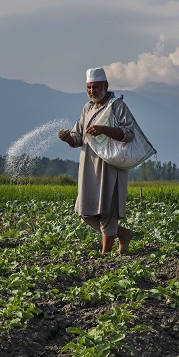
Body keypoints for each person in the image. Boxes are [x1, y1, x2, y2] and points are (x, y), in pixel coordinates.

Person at [58, 67, 137, 254]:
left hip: (111, 164)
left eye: (95, 87)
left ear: (105, 85)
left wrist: (104, 129)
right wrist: (68, 137)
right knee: (84, 210)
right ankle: (122, 234)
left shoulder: (117, 106)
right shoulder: (88, 108)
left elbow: (129, 133)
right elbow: (78, 137)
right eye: (89, 87)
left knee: (107, 209)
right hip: (89, 165)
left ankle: (105, 254)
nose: (92, 91)